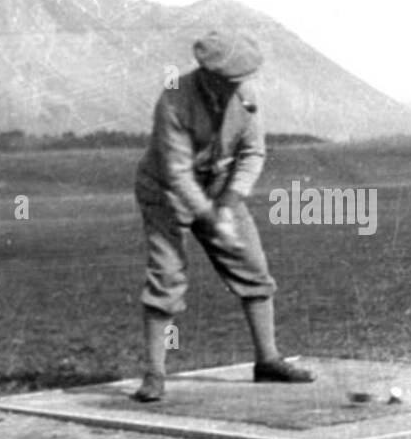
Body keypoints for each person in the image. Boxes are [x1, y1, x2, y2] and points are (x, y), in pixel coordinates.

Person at [131, 30, 315, 401]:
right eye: (229, 80)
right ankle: (154, 375)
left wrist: (228, 205)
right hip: (166, 193)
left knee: (254, 269)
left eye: (240, 80)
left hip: (219, 190)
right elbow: (177, 172)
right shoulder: (174, 99)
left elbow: (253, 153)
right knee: (167, 277)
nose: (238, 86)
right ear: (208, 74)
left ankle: (268, 361)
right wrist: (213, 219)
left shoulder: (245, 98)